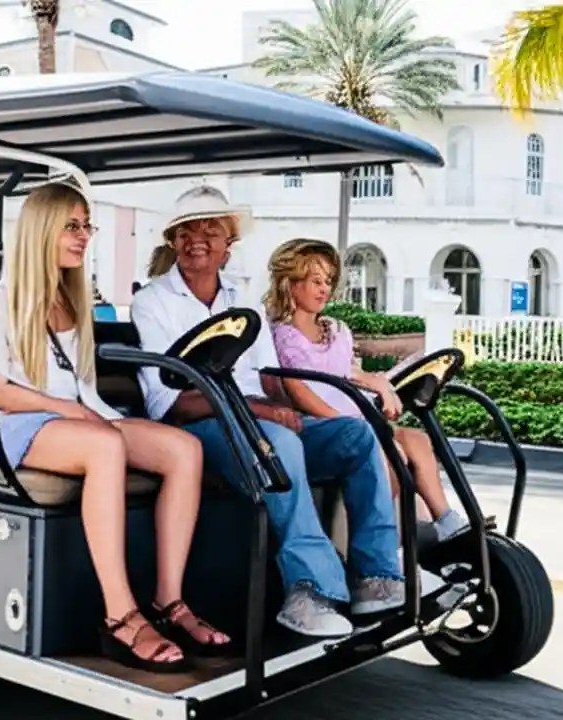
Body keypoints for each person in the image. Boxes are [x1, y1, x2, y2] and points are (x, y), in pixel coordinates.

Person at [0, 180, 230, 672]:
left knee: (182, 450)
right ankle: (120, 615)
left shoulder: (72, 301)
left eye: (86, 225)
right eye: (72, 225)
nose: (84, 235)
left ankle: (168, 601)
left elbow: (84, 388)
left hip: (75, 420)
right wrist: (83, 417)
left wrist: (112, 419)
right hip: (16, 425)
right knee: (105, 447)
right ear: (42, 228)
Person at [130, 185, 405, 639]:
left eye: (210, 230)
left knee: (357, 437)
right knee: (274, 441)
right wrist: (261, 412)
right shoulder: (153, 301)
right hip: (202, 427)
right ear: (173, 241)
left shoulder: (244, 299)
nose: (197, 238)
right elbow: (171, 401)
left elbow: (263, 375)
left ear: (228, 244)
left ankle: (375, 576)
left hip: (257, 422)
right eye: (186, 230)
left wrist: (288, 405)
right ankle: (309, 588)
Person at [264, 239, 468, 542]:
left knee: (417, 439)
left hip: (354, 416)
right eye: (315, 281)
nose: (324, 289)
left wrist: (381, 385)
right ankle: (384, 544)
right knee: (390, 455)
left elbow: (345, 370)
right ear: (291, 285)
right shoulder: (284, 336)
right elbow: (299, 390)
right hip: (324, 425)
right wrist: (344, 422)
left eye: (328, 282)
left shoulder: (335, 330)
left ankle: (447, 523)